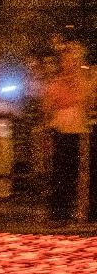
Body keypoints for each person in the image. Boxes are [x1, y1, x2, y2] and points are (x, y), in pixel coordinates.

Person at [41, 42, 93, 222]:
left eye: (73, 61)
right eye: (66, 61)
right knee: (60, 171)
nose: (69, 65)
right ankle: (59, 211)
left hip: (78, 129)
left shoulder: (83, 82)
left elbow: (86, 102)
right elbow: (48, 107)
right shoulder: (56, 83)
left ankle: (76, 209)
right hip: (61, 129)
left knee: (77, 171)